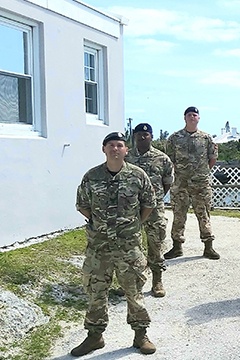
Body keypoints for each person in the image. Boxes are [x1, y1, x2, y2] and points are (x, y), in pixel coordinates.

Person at [71, 132, 157, 356]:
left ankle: (140, 335)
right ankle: (94, 336)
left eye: (119, 145)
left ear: (126, 150)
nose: (115, 149)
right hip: (99, 247)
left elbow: (148, 204)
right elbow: (82, 205)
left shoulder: (138, 176)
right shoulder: (92, 176)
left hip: (129, 247)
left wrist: (134, 224)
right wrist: (99, 224)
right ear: (104, 149)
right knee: (95, 291)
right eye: (111, 145)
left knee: (134, 291)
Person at [164, 106, 220, 260]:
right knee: (179, 214)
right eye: (189, 115)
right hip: (180, 183)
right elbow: (170, 159)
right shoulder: (174, 138)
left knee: (203, 215)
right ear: (184, 118)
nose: (192, 117)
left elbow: (212, 157)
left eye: (195, 115)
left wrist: (201, 172)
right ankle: (177, 247)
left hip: (200, 184)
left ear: (199, 118)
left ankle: (208, 247)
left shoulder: (206, 138)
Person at [126, 123, 174, 298]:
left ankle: (157, 280)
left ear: (151, 137)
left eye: (145, 134)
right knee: (131, 245)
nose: (142, 137)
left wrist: (153, 198)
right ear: (134, 136)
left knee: (155, 243)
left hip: (154, 209)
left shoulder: (162, 158)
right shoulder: (126, 157)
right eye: (139, 134)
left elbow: (167, 182)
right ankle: (135, 281)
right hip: (131, 208)